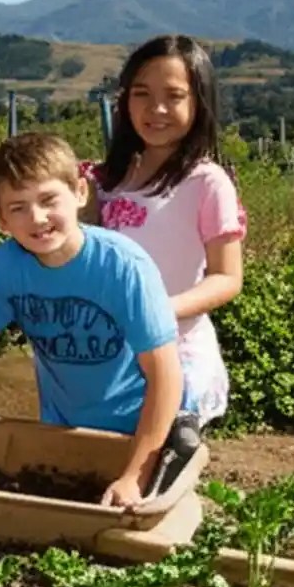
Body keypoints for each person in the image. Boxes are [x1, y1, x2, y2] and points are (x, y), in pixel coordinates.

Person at [0, 132, 184, 510]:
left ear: (80, 193)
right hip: (62, 427)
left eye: (49, 200)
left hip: (143, 432)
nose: (36, 218)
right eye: (18, 207)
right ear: (1, 218)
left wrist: (134, 475)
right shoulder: (4, 267)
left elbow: (165, 374)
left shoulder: (122, 268)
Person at [86, 34, 245, 432]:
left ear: (199, 103)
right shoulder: (105, 180)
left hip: (178, 357)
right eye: (141, 93)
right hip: (110, 360)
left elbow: (226, 278)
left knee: (156, 478)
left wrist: (159, 311)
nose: (156, 109)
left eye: (174, 95)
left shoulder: (207, 183)